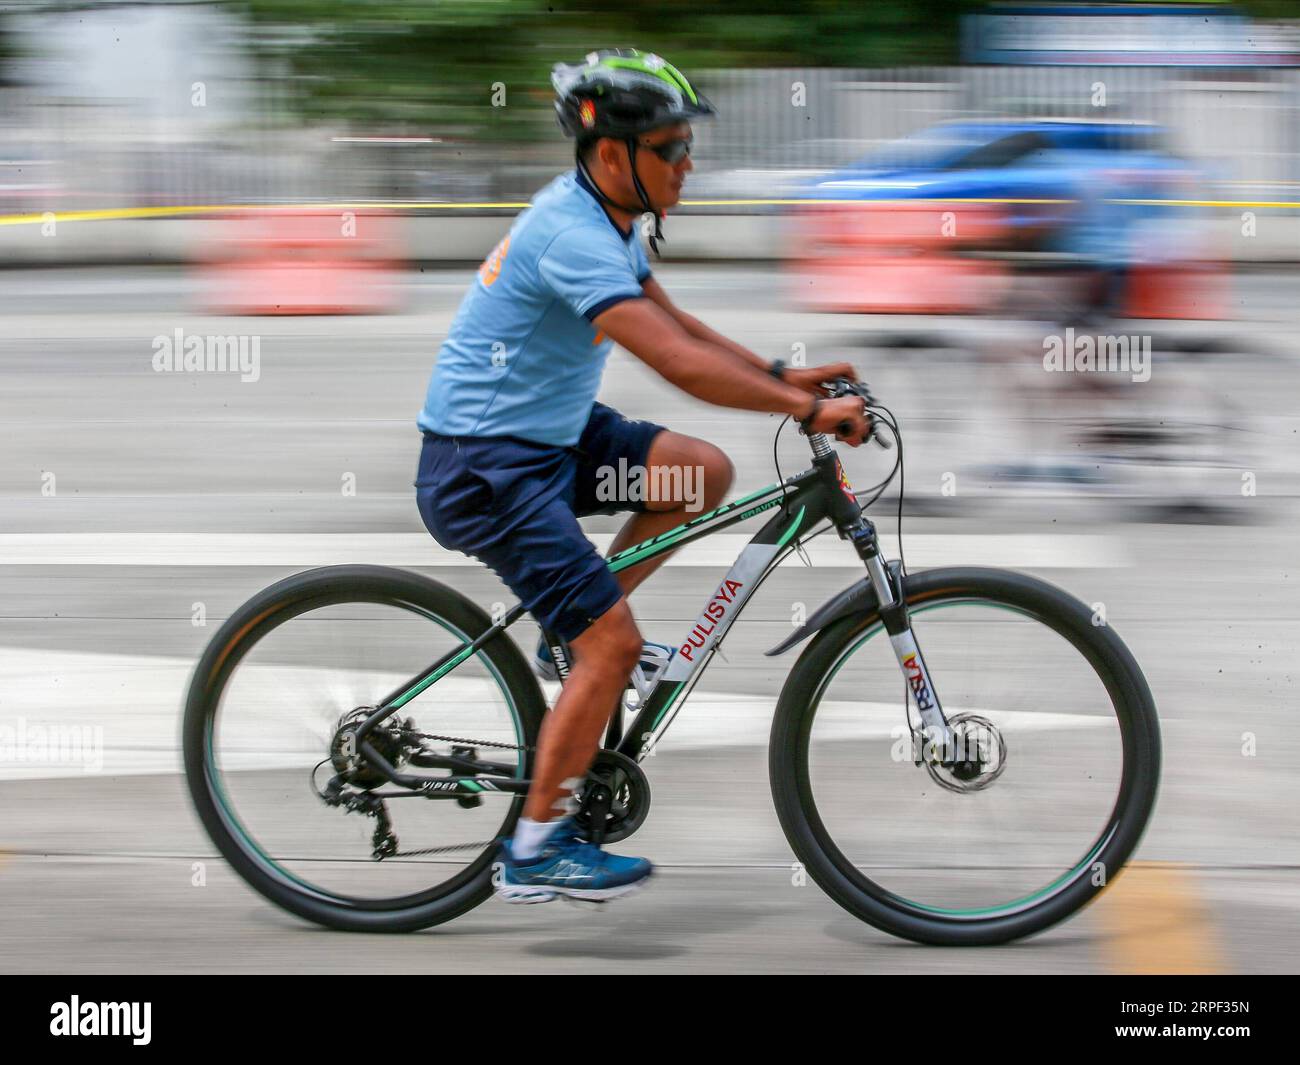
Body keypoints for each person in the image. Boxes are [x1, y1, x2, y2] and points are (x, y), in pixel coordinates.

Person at [414, 48, 870, 905]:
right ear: (612, 153)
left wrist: (784, 377)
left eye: (686, 146)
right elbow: (671, 363)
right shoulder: (573, 233)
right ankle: (537, 848)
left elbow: (681, 326)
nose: (688, 163)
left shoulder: (612, 219)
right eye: (671, 147)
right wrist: (802, 413)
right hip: (486, 464)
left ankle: (568, 631)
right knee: (614, 647)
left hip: (545, 439)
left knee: (697, 474)